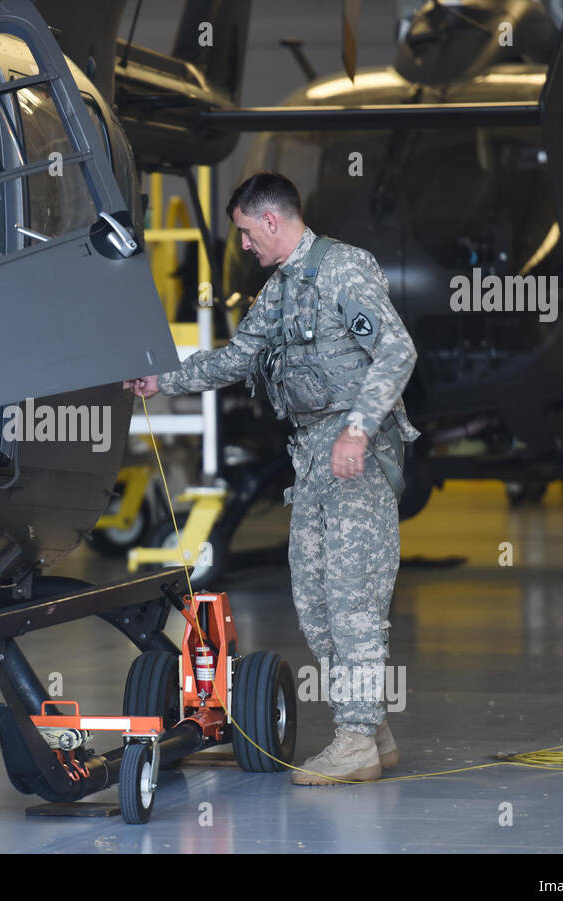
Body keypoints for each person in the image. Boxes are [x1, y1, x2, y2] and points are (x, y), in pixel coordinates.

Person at [126, 172, 419, 784]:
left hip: (356, 452)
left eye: (244, 233)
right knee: (314, 599)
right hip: (313, 454)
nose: (244, 246)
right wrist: (162, 382)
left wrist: (359, 430)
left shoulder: (342, 268)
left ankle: (357, 738)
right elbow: (238, 357)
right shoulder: (281, 289)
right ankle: (369, 728)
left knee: (353, 599)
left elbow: (397, 350)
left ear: (270, 221)